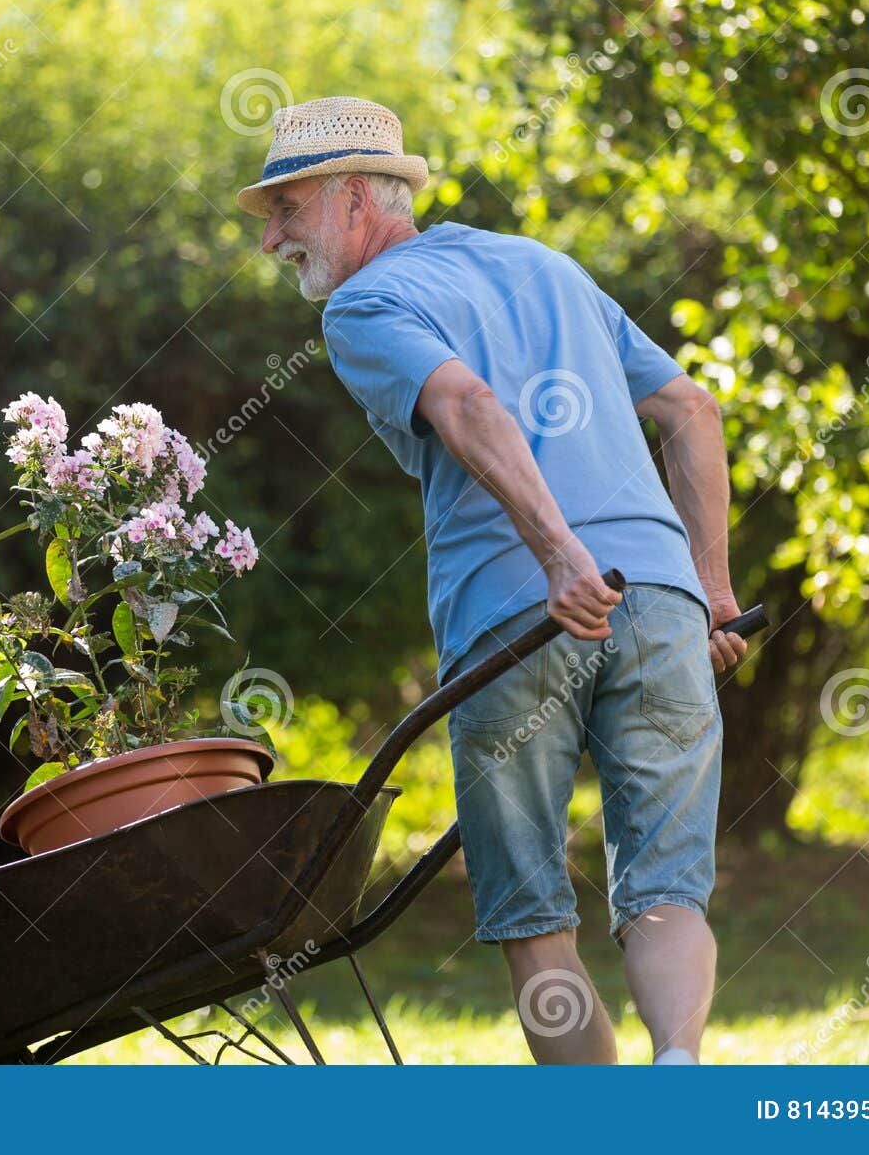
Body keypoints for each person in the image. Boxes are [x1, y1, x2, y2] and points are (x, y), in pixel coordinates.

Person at [236, 96, 749, 1064]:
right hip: (658, 598)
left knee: (533, 917)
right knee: (666, 890)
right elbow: (690, 407)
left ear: (354, 198)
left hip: (516, 617)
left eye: (287, 210)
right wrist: (710, 594)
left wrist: (560, 558)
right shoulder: (541, 265)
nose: (271, 240)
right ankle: (679, 1066)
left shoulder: (366, 303)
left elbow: (467, 401)